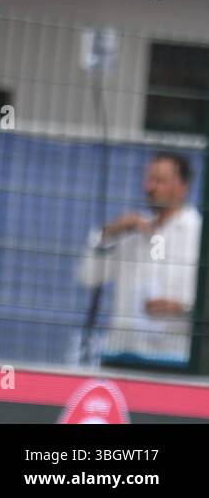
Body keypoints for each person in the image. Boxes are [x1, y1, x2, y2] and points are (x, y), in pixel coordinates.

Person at [77, 151, 202, 361]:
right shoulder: (130, 229)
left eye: (160, 181)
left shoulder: (199, 234)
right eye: (149, 179)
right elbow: (88, 277)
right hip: (123, 353)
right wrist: (111, 232)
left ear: (183, 188)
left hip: (176, 356)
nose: (149, 188)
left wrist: (182, 307)